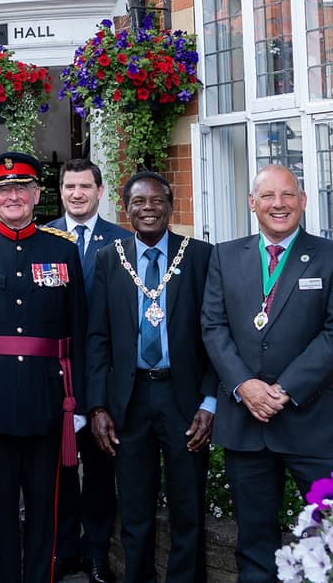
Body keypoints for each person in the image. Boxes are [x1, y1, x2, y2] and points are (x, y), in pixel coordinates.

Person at [202, 164, 333, 582]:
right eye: (268, 196)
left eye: (288, 195)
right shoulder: (223, 255)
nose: (279, 204)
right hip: (245, 424)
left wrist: (284, 389)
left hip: (315, 424)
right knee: (254, 541)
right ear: (252, 204)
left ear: (303, 201)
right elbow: (213, 327)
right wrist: (244, 386)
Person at [0, 152, 86, 583]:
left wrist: (78, 401)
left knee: (47, 508)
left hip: (49, 399)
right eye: (3, 190)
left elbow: (78, 331)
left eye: (20, 189)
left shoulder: (62, 250)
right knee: (1, 511)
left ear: (35, 195)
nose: (12, 197)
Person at [86, 172, 217, 583]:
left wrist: (210, 401)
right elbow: (98, 337)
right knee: (137, 510)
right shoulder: (111, 258)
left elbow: (215, 334)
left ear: (170, 205)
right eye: (139, 202)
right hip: (130, 400)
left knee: (188, 507)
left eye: (157, 201)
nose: (148, 209)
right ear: (125, 208)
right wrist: (98, 405)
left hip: (185, 400)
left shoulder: (199, 256)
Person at [47, 158, 131, 583]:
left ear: (100, 191)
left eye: (84, 186)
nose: (76, 194)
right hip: (56, 376)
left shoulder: (121, 242)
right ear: (60, 192)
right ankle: (64, 549)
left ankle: (97, 550)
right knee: (60, 470)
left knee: (100, 469)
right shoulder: (43, 240)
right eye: (69, 187)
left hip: (103, 375)